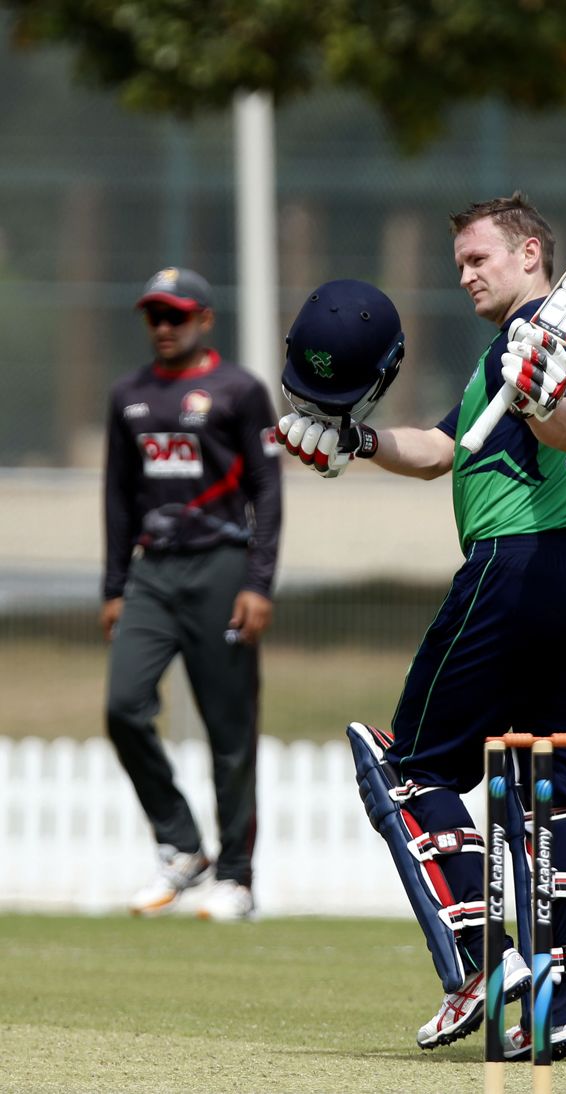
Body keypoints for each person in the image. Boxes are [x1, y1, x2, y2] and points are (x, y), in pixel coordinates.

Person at [276, 195, 566, 1058]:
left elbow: (560, 417)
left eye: (479, 259)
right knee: (558, 794)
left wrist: (542, 398)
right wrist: (353, 442)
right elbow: (442, 452)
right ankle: (563, 1006)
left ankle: (479, 961)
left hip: (511, 570)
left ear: (531, 252)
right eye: (460, 263)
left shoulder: (533, 339)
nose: (465, 274)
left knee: (405, 764)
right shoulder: (513, 353)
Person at [101, 266, 283, 921]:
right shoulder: (129, 395)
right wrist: (115, 585)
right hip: (153, 573)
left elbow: (268, 489)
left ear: (205, 319)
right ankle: (182, 849)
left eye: (177, 315)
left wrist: (259, 582)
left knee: (229, 728)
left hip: (222, 568)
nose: (164, 327)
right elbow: (118, 497)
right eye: (155, 315)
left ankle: (236, 876)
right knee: (123, 707)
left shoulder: (238, 391)